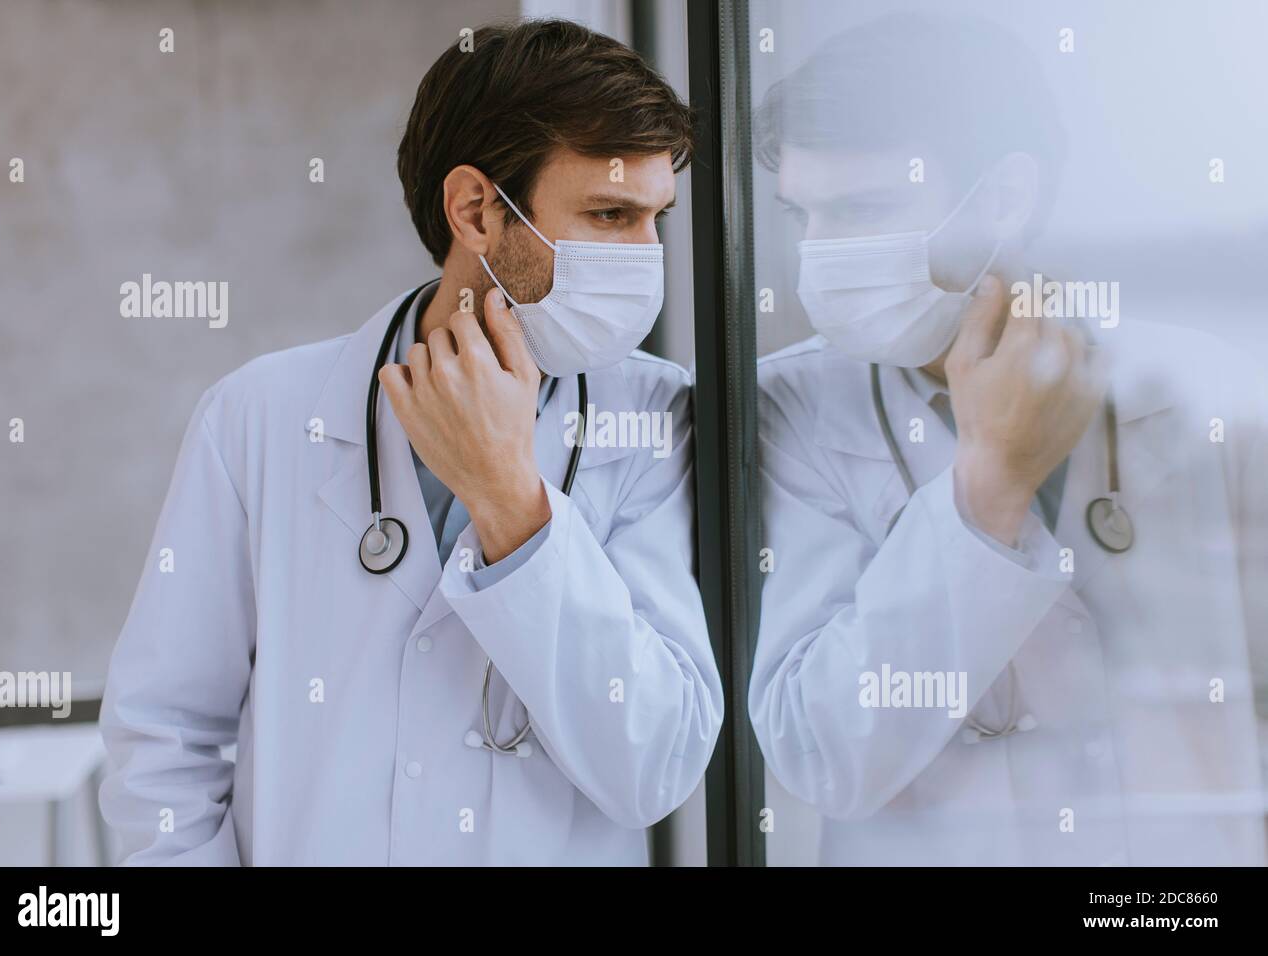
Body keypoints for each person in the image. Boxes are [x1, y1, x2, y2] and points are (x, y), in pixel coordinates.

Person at [99, 19, 723, 866]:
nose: (645, 256)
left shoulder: (659, 422)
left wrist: (510, 500)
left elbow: (656, 766)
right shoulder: (259, 417)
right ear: (475, 210)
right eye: (611, 214)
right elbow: (163, 738)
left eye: (657, 219)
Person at [750, 14, 1268, 865]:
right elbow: (821, 753)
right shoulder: (790, 407)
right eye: (802, 215)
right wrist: (987, 488)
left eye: (863, 210)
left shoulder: (1206, 392)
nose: (820, 256)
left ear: (1002, 199)